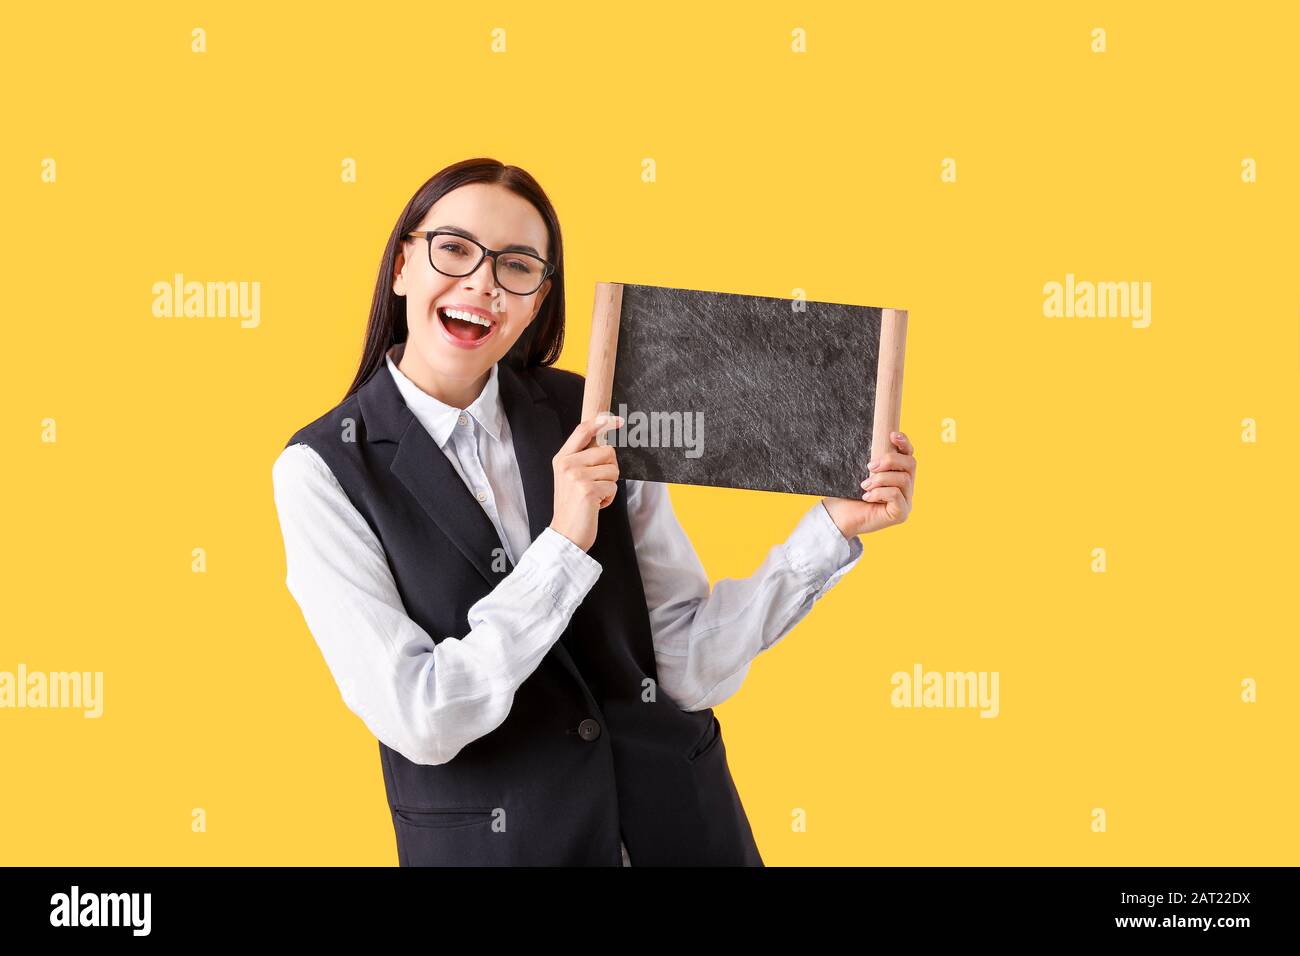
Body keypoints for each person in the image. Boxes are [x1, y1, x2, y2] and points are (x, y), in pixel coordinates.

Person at [271, 157, 917, 866]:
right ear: (401, 265)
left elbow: (682, 666)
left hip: (688, 832)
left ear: (539, 297)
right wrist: (563, 545)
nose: (483, 284)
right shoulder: (322, 472)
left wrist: (826, 534)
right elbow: (424, 717)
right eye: (453, 250)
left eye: (517, 266)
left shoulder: (598, 412)